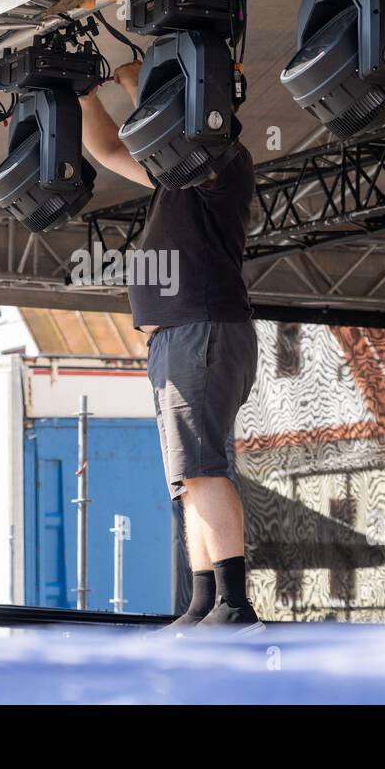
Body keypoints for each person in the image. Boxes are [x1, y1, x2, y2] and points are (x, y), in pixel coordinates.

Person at [79, 60, 262, 634]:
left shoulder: (218, 159)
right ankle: (204, 601)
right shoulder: (173, 176)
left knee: (204, 470)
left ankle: (235, 604)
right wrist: (87, 95)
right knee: (190, 477)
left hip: (199, 330)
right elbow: (107, 150)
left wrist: (138, 81)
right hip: (179, 337)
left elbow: (159, 127)